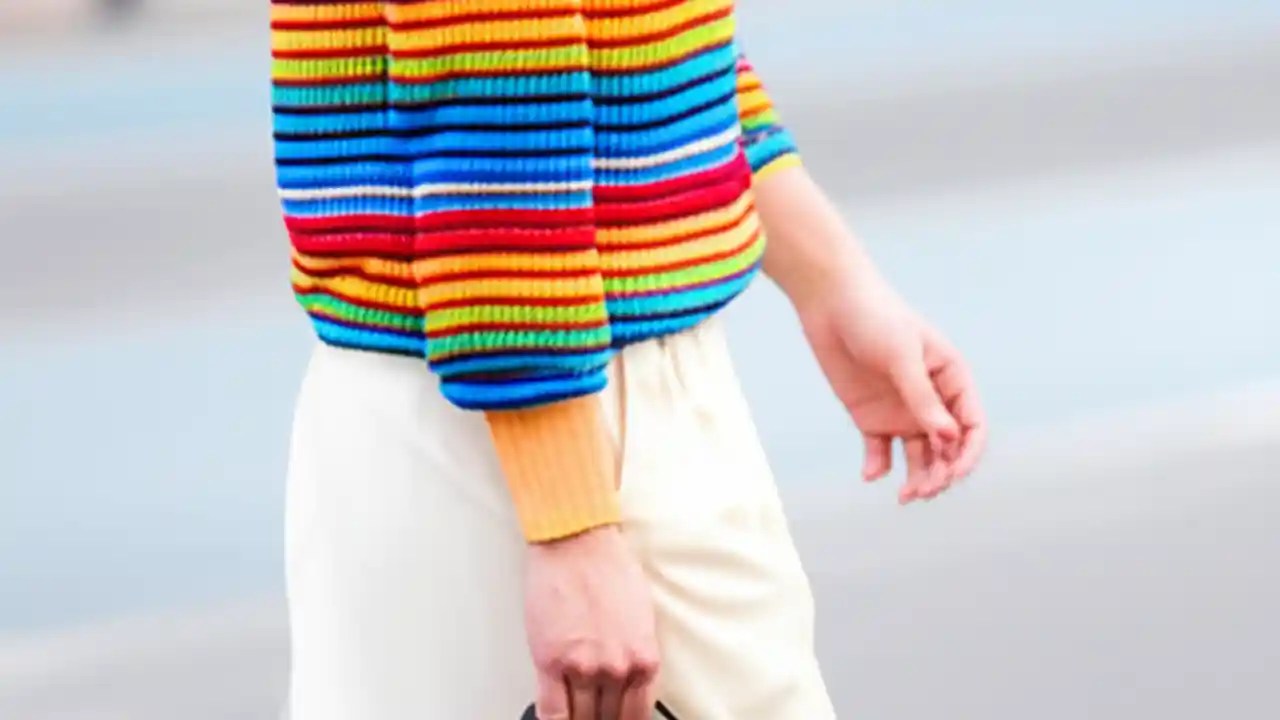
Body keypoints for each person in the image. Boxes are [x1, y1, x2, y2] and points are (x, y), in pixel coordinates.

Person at [271, 2, 987, 718]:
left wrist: (831, 282)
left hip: (499, 390)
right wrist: (571, 524)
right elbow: (493, 91)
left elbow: (648, 45)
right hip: (543, 401)